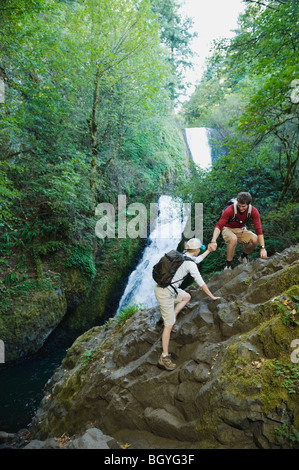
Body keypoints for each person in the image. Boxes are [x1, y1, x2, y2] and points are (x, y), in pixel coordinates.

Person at [154, 238, 220, 371]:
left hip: (167, 289)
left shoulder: (182, 256)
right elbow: (201, 283)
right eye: (199, 249)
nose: (198, 251)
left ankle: (172, 316)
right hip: (165, 293)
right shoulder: (190, 265)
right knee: (168, 326)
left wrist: (208, 250)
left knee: (186, 297)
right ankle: (164, 357)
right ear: (195, 250)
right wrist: (212, 296)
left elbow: (198, 259)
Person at [208, 192, 267, 270]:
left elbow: (258, 229)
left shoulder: (253, 211)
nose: (241, 208)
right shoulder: (230, 210)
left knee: (255, 239)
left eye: (243, 206)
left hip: (240, 229)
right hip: (227, 228)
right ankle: (228, 265)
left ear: (249, 204)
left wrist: (262, 248)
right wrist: (213, 240)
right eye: (239, 205)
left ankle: (244, 256)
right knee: (233, 239)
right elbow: (219, 226)